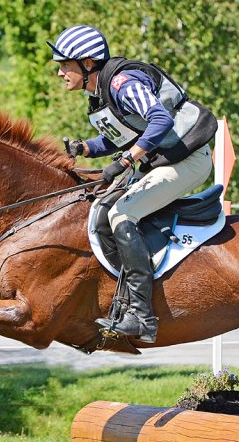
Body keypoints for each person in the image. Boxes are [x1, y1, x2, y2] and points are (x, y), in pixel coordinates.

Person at [48, 25, 217, 343]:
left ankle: (141, 316)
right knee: (101, 207)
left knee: (122, 214)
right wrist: (83, 148)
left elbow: (160, 120)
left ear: (87, 63)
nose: (59, 72)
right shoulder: (101, 92)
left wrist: (127, 161)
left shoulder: (122, 83)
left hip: (188, 160)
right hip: (165, 160)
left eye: (64, 64)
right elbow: (118, 138)